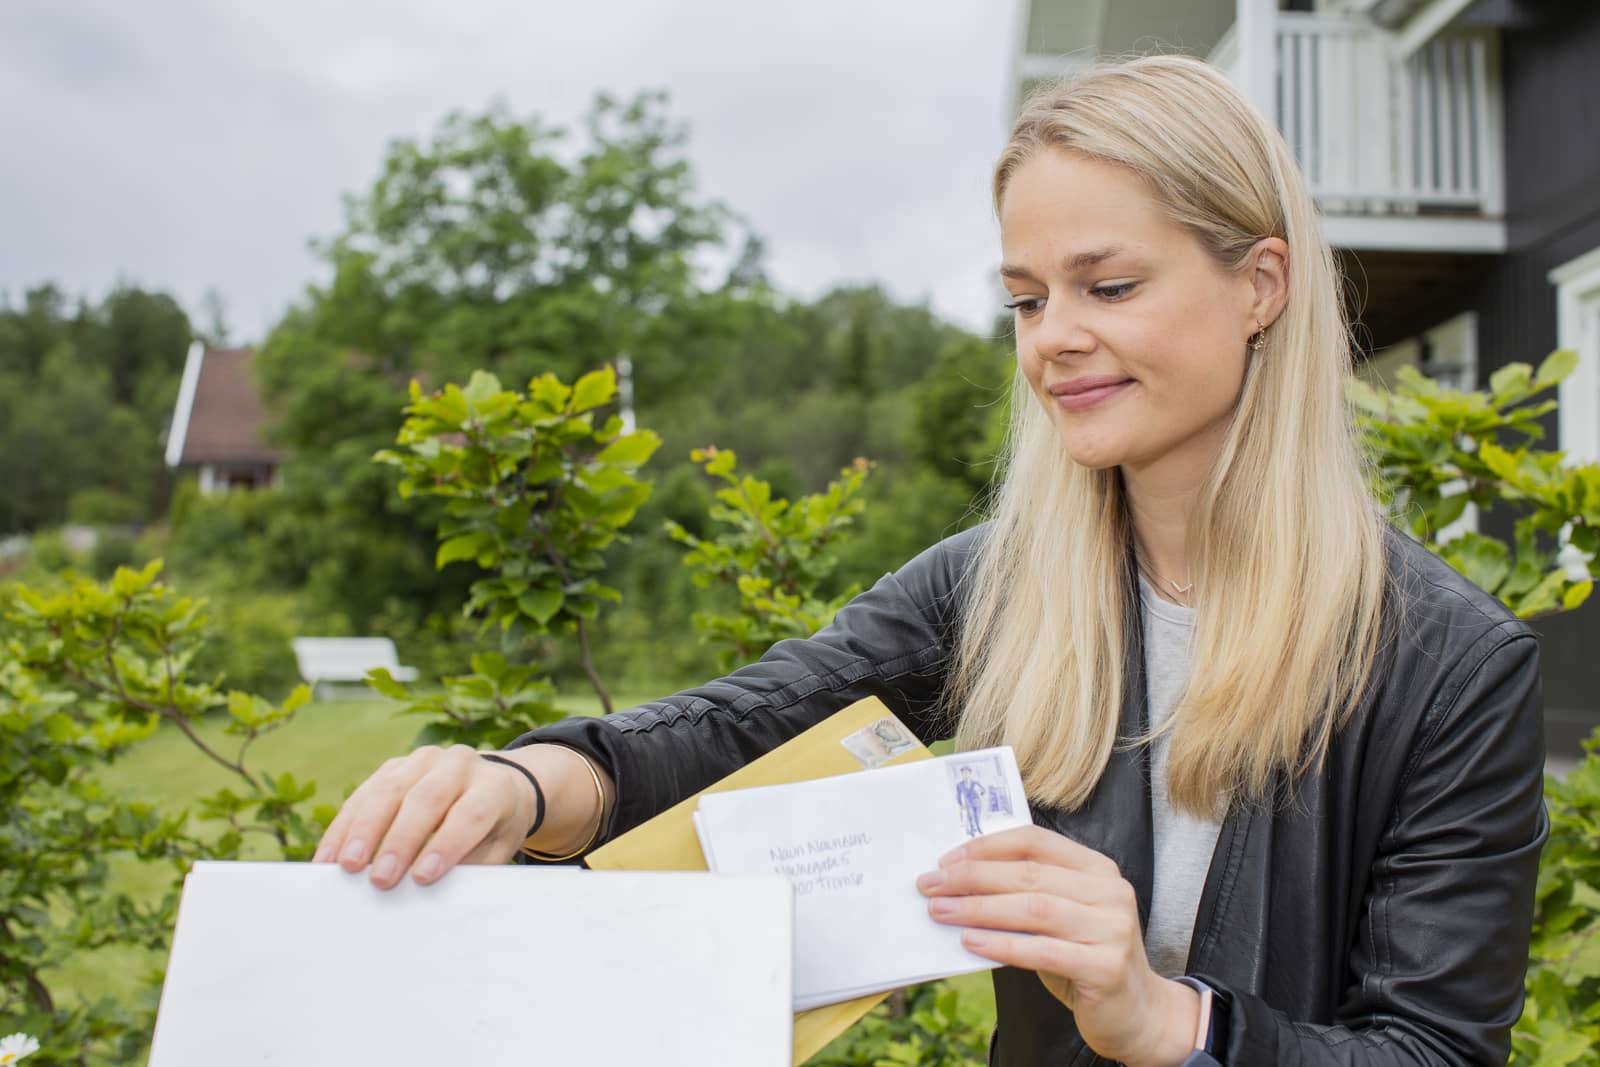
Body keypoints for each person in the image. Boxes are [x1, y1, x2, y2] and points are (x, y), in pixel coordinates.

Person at [314, 54, 1546, 1066]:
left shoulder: (1446, 665)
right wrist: (523, 787)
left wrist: (1167, 1021)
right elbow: (744, 725)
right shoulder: (999, 584)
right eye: (1026, 299)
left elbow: (1432, 1046)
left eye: (1109, 285)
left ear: (1260, 284)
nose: (1054, 339)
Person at [956, 765, 987, 838]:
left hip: (977, 802)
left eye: (967, 772)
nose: (965, 774)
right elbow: (958, 795)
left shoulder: (975, 782)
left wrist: (980, 792)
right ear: (962, 774)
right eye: (963, 773)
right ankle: (972, 831)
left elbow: (983, 790)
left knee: (977, 816)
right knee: (970, 816)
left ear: (970, 773)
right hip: (968, 803)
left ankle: (979, 828)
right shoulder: (959, 784)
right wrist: (960, 804)